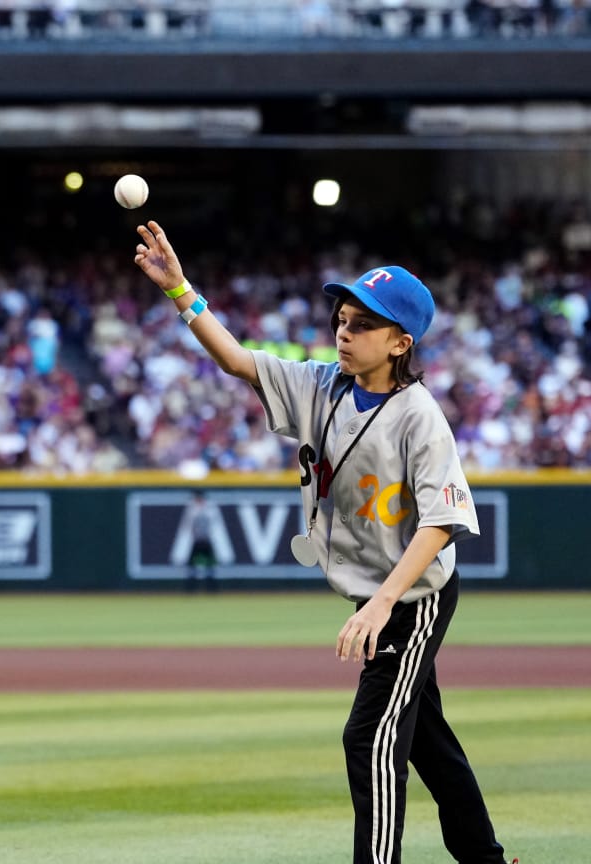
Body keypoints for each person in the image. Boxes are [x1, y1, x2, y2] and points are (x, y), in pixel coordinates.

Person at [133, 221, 512, 864]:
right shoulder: (321, 385)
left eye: (364, 322)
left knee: (370, 739)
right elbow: (237, 360)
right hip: (379, 594)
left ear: (400, 342)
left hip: (412, 596)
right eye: (343, 314)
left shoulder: (420, 417)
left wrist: (383, 604)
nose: (345, 327)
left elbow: (443, 522)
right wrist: (181, 292)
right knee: (427, 740)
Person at [171, 490, 222, 592]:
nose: (197, 500)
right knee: (192, 567)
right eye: (196, 498)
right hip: (196, 542)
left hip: (206, 541)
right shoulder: (192, 509)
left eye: (199, 498)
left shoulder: (209, 509)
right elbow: (187, 526)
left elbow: (215, 524)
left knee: (210, 566)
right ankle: (190, 589)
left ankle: (211, 589)